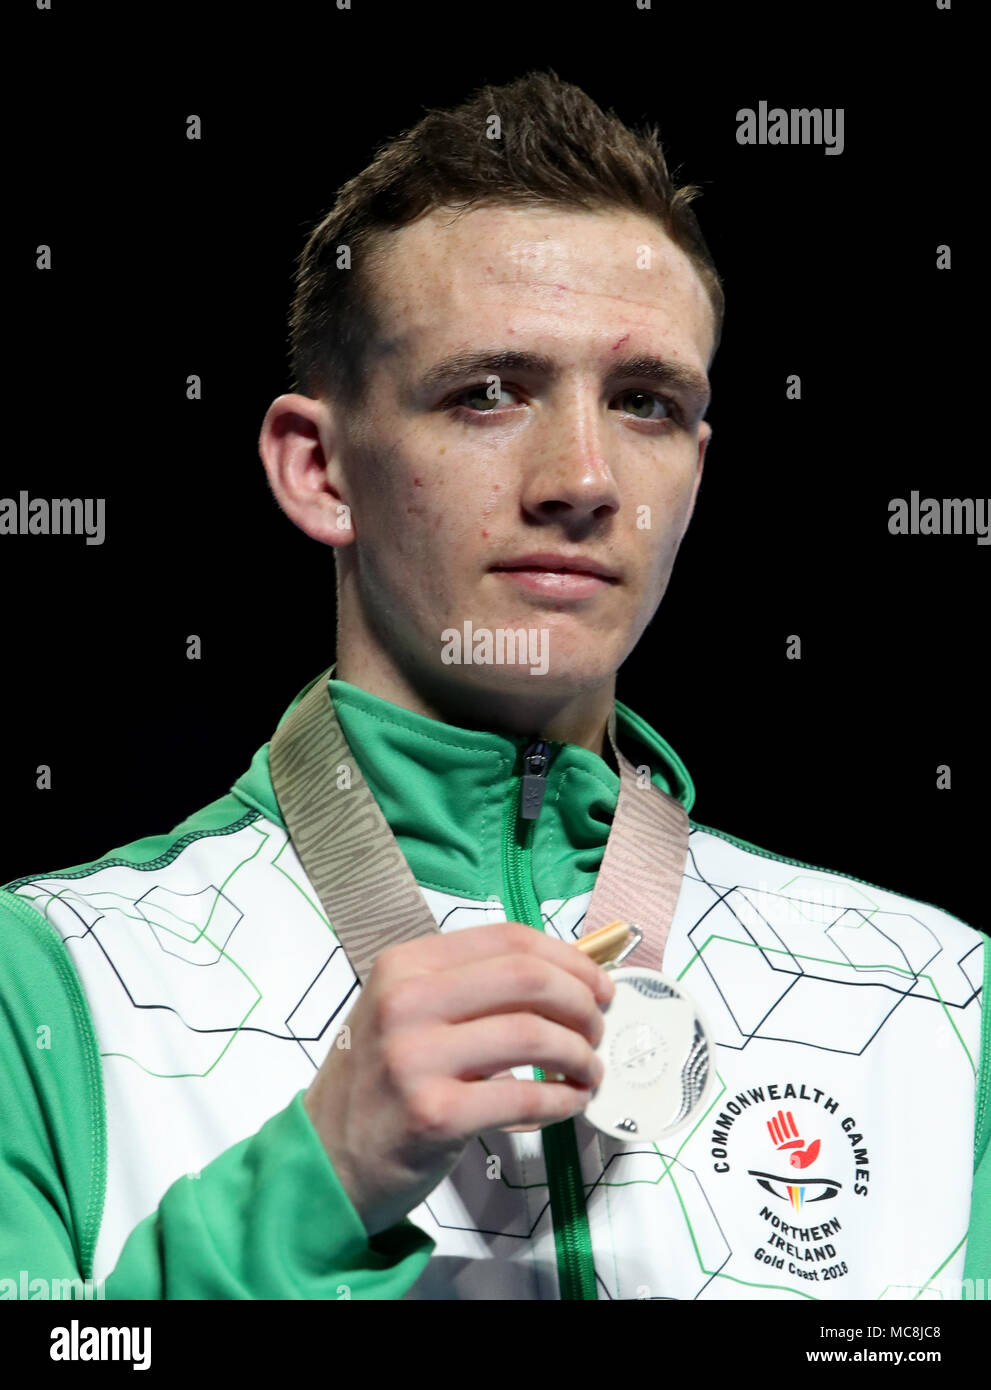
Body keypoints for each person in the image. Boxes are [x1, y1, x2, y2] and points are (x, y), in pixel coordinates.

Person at [1, 70, 986, 1303]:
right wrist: (313, 1183)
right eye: (487, 392)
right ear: (319, 470)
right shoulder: (46, 984)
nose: (581, 477)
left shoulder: (939, 998)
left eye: (645, 404)